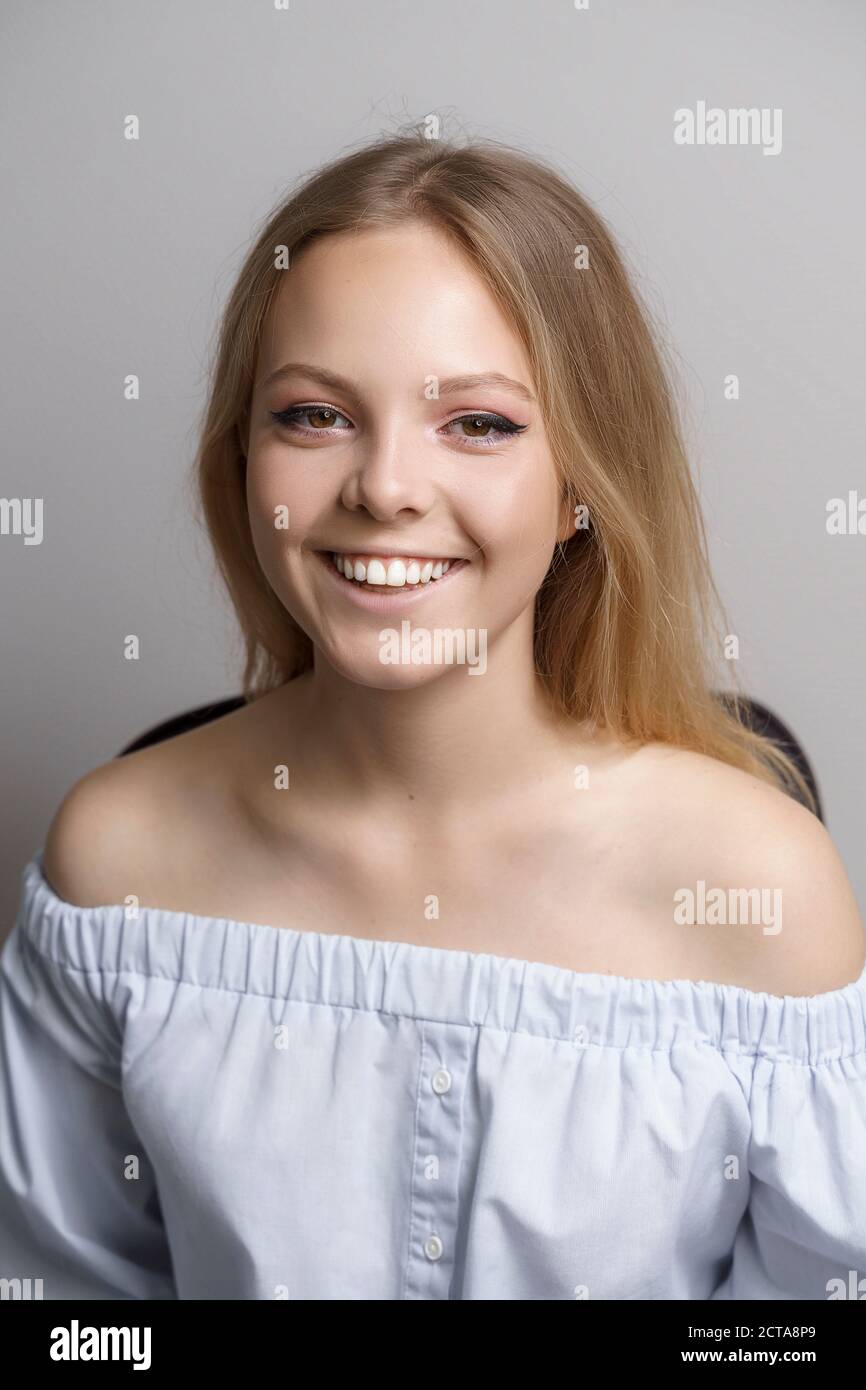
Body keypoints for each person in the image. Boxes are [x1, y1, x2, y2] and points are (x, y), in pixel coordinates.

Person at [1, 128, 864, 1301]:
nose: (385, 487)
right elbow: (64, 1314)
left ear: (578, 488)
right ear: (243, 460)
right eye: (313, 415)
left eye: (478, 423)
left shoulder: (767, 892)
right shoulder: (117, 861)